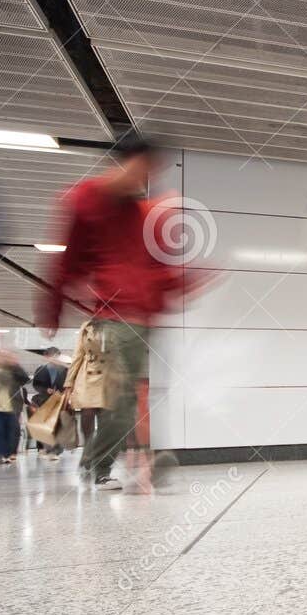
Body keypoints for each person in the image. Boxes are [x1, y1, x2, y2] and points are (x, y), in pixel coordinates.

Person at [40, 131, 202, 492]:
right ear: (127, 162)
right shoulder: (88, 199)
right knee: (123, 401)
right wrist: (52, 305)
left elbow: (156, 269)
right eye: (144, 170)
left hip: (144, 322)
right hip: (113, 319)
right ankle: (98, 466)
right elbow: (70, 260)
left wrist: (183, 285)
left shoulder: (142, 212)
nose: (147, 180)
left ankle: (113, 459)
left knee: (135, 396)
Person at [0, 349, 29, 464]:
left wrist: (15, 364)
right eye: (1, 356)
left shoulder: (14, 372)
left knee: (13, 431)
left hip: (12, 407)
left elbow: (25, 379)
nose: (3, 358)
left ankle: (8, 454)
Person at [31, 349, 68, 457]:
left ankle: (56, 449)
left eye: (57, 356)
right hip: (44, 400)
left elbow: (67, 385)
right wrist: (45, 390)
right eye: (53, 356)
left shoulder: (64, 370)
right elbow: (36, 385)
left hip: (58, 400)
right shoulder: (41, 369)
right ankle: (42, 447)